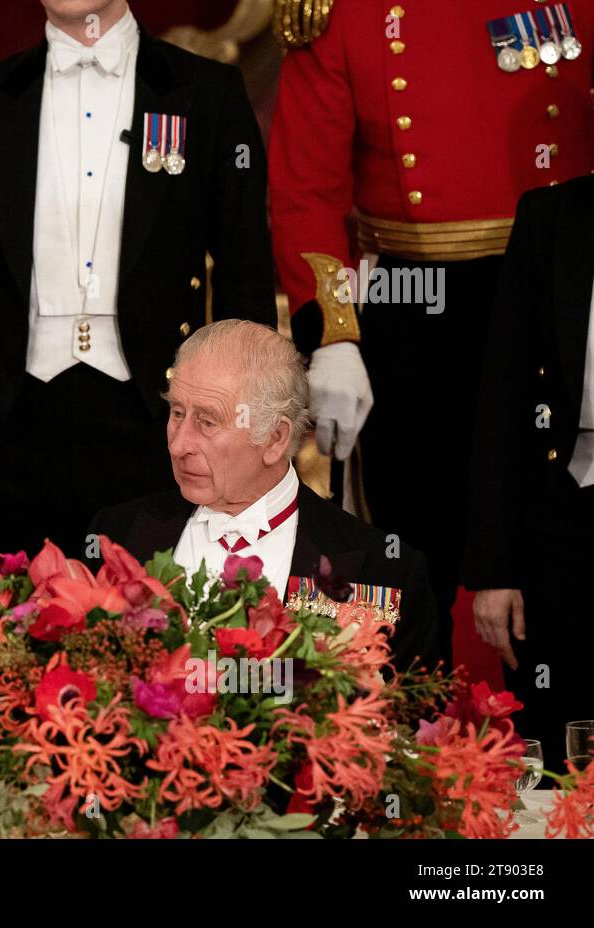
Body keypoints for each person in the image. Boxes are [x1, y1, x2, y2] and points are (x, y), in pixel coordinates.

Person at [269, 0, 594, 666]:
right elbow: (306, 191)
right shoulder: (343, 12)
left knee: (556, 541)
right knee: (405, 560)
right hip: (414, 309)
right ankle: (403, 751)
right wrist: (334, 334)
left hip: (560, 297)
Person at [0, 0, 277, 585]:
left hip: (159, 431)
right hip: (6, 436)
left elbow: (247, 294)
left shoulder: (206, 92)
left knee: (157, 657)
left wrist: (245, 473)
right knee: (10, 658)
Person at [91, 320, 441, 673]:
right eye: (177, 413)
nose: (179, 445)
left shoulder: (386, 572)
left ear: (274, 439)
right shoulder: (117, 535)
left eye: (208, 422)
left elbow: (416, 721)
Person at [464, 175, 594, 769]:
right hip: (558, 513)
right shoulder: (552, 215)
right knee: (555, 745)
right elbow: (503, 395)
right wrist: (494, 569)